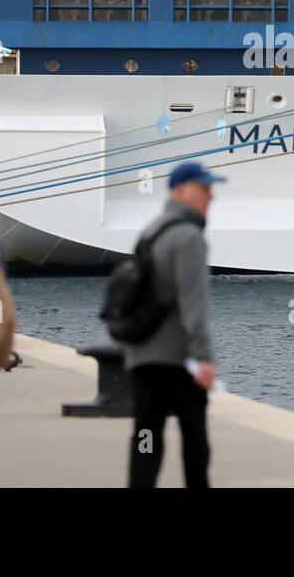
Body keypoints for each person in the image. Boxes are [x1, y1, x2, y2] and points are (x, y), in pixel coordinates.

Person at [125, 161, 222, 489]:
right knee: (195, 441)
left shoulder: (151, 230)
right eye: (204, 189)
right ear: (181, 191)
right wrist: (205, 358)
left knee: (146, 436)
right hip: (178, 361)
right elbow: (194, 305)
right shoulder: (189, 237)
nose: (211, 197)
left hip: (142, 354)